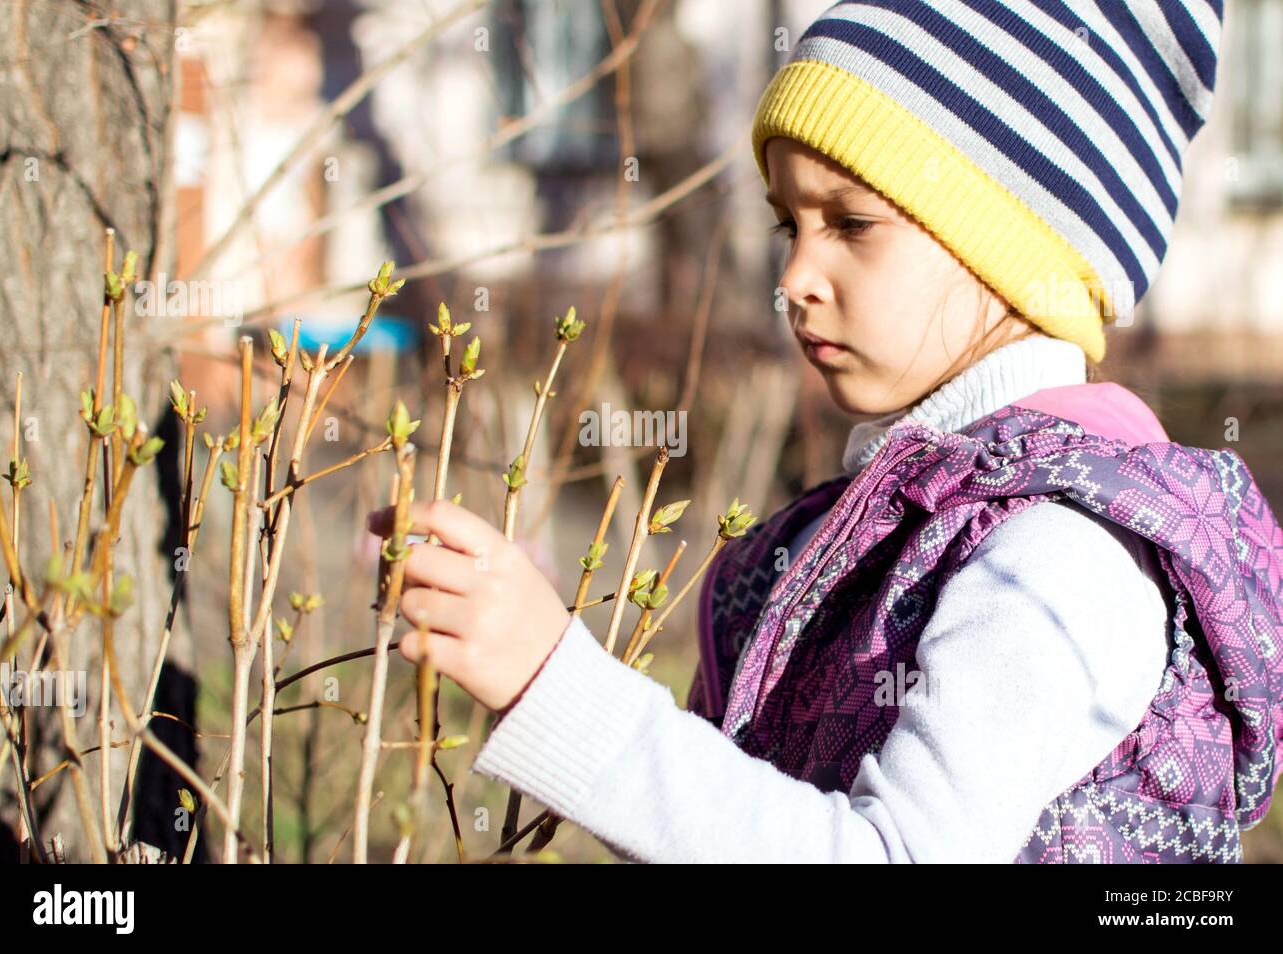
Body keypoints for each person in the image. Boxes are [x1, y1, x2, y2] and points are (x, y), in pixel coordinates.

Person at [365, 0, 1283, 862]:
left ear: (1015, 248)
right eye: (788, 225)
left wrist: (555, 681)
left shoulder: (1056, 556)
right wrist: (525, 672)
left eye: (851, 222)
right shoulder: (892, 522)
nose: (796, 274)